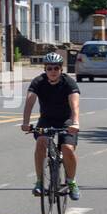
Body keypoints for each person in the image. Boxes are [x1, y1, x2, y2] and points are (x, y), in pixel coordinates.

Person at [21, 51, 81, 201]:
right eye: (49, 68)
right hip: (47, 119)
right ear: (45, 69)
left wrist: (75, 122)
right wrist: (26, 122)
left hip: (66, 120)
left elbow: (75, 105)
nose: (53, 71)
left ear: (61, 69)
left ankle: (71, 182)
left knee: (67, 148)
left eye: (56, 68)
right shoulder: (38, 82)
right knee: (41, 142)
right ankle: (40, 182)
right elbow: (29, 102)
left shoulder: (68, 82)